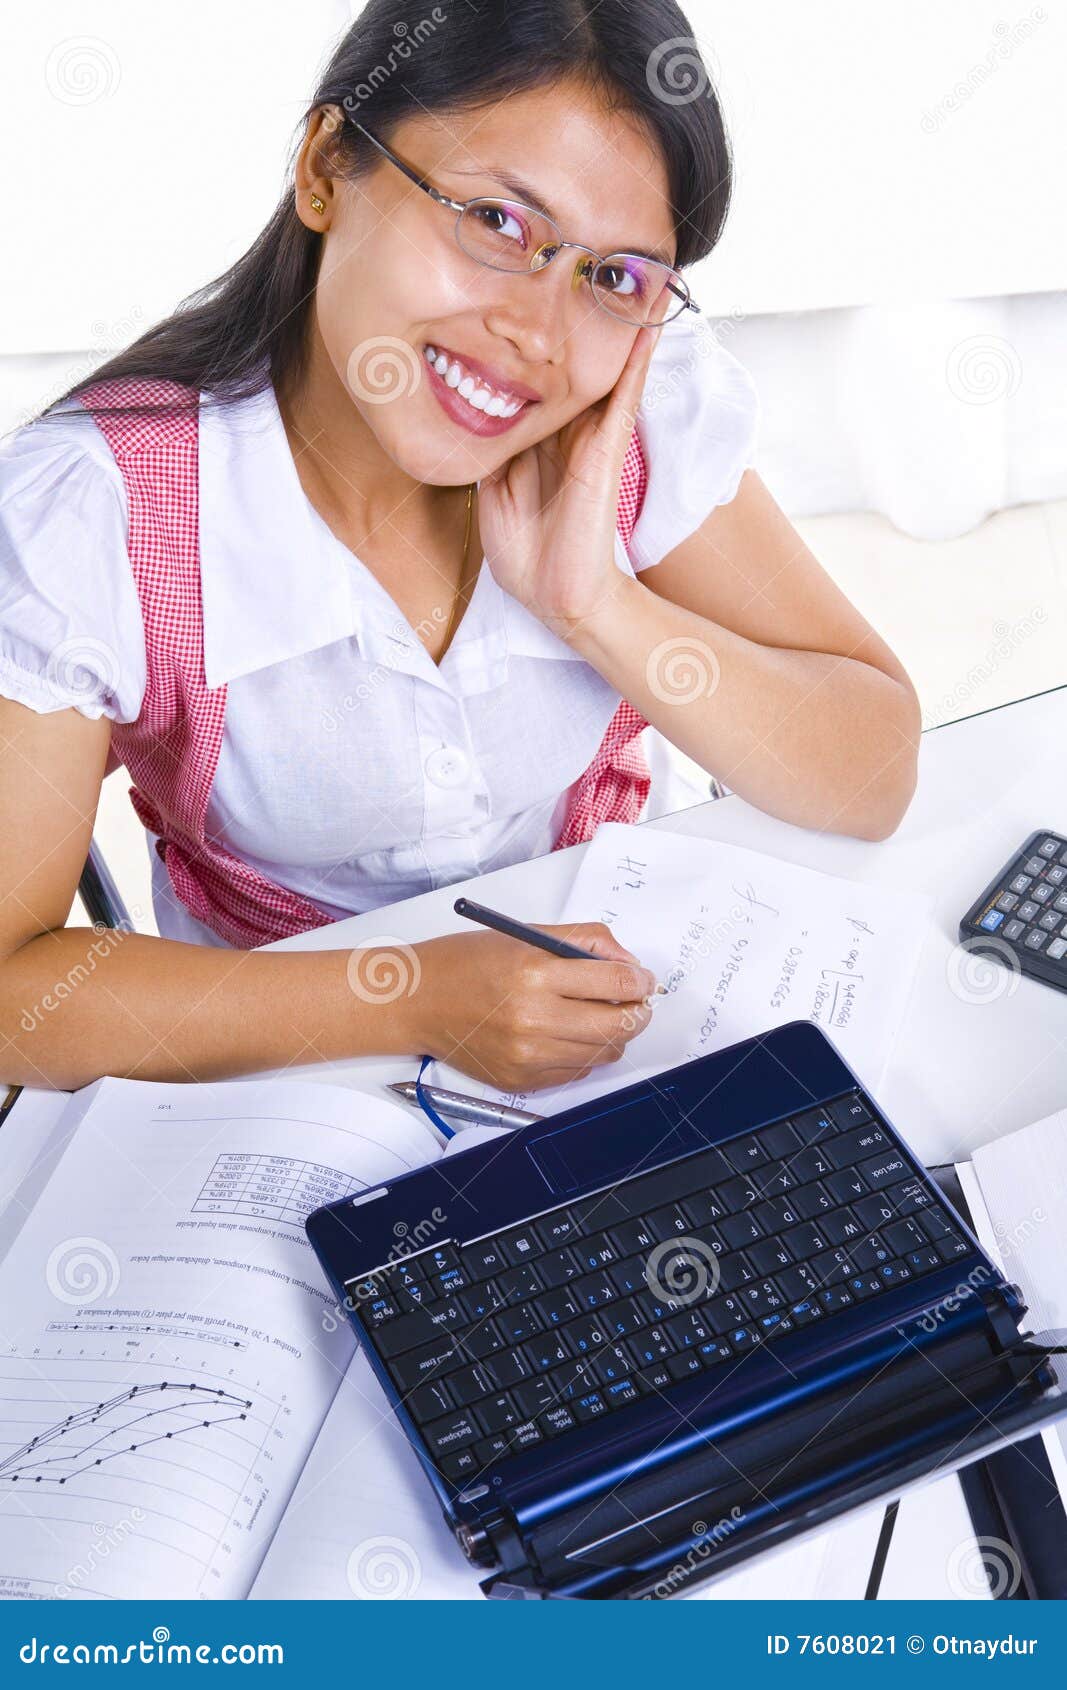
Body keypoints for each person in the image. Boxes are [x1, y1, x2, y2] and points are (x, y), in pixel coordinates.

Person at [0, 0, 920, 1093]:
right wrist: (416, 995)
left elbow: (869, 773)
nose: (536, 334)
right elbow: (15, 994)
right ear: (326, 166)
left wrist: (595, 604)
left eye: (612, 277)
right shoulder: (97, 512)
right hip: (277, 1065)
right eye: (495, 222)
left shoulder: (633, 413)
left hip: (628, 1013)